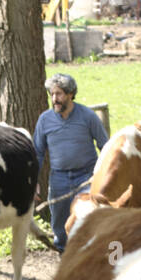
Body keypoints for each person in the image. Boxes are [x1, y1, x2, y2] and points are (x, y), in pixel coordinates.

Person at [33, 73, 108, 253]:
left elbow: (105, 147)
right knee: (59, 223)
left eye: (59, 94)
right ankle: (63, 255)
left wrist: (103, 178)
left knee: (89, 216)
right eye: (52, 94)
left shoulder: (88, 117)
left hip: (87, 177)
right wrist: (34, 181)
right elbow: (37, 153)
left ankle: (92, 254)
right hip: (59, 178)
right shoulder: (45, 120)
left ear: (70, 94)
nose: (54, 99)